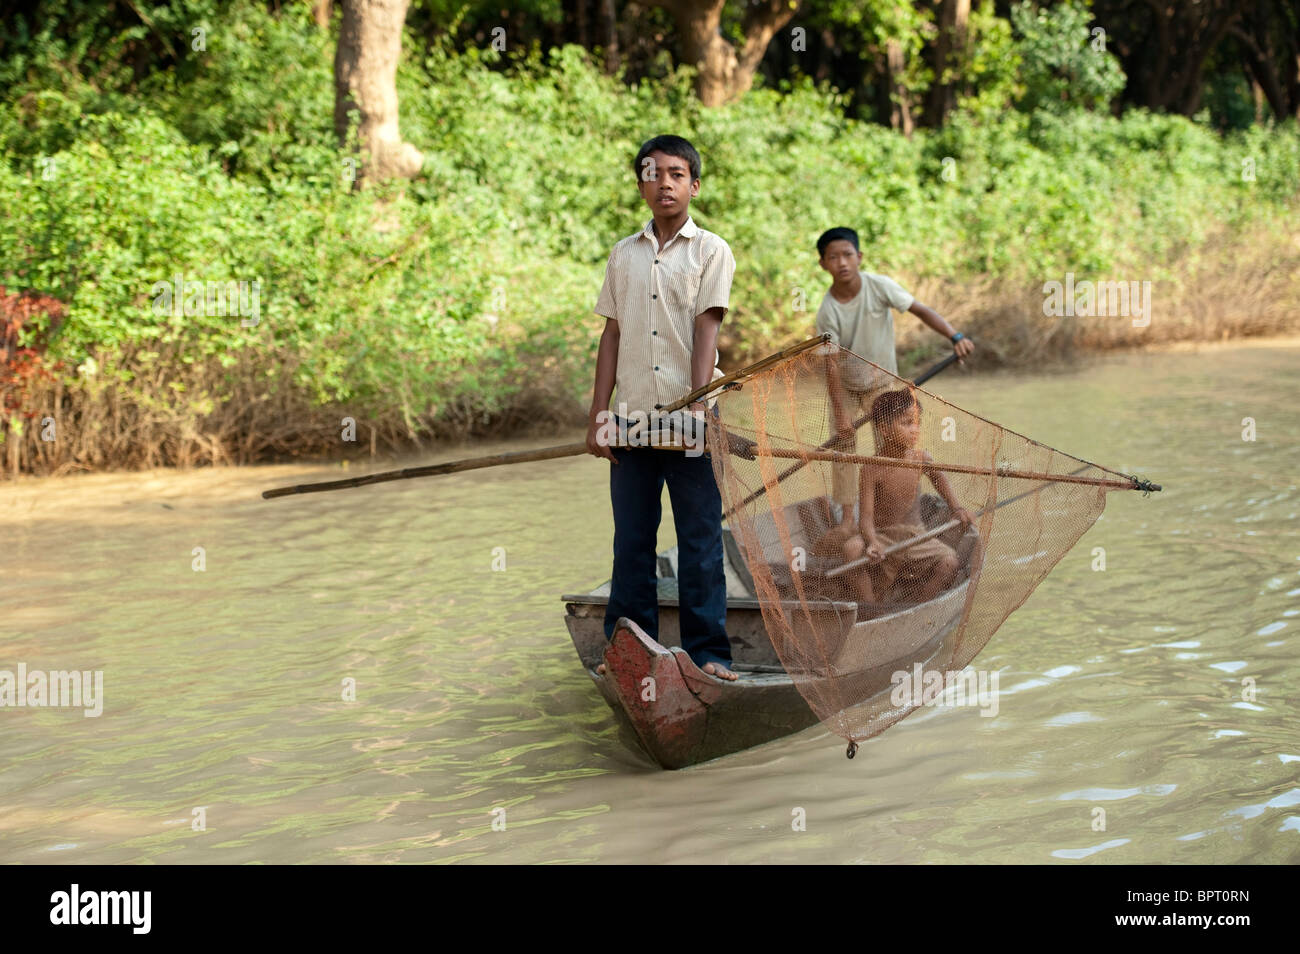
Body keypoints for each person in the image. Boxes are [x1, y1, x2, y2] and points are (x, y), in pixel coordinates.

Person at [585, 135, 738, 681]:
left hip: (693, 418)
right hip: (630, 422)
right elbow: (612, 334)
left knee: (699, 543)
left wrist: (696, 410)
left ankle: (708, 656)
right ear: (641, 184)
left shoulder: (711, 251)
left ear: (693, 185)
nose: (665, 183)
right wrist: (598, 415)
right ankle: (628, 653)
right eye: (655, 174)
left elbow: (706, 331)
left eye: (677, 174)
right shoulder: (623, 254)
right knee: (632, 544)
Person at [814, 226, 975, 540]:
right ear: (823, 264)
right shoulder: (828, 311)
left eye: (847, 254)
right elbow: (829, 365)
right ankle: (849, 518)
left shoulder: (879, 287)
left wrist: (954, 336)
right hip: (845, 386)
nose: (842, 262)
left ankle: (898, 512)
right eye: (833, 258)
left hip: (883, 382)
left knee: (897, 445)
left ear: (859, 257)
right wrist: (842, 415)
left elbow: (921, 310)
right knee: (844, 449)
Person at [836, 388, 973, 604]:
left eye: (917, 423)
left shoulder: (921, 458)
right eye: (907, 423)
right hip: (884, 535)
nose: (915, 430)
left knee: (950, 562)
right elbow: (866, 517)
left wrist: (957, 508)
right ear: (884, 429)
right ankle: (871, 606)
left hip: (915, 536)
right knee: (851, 549)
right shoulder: (872, 468)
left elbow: (940, 480)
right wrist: (872, 542)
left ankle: (917, 605)